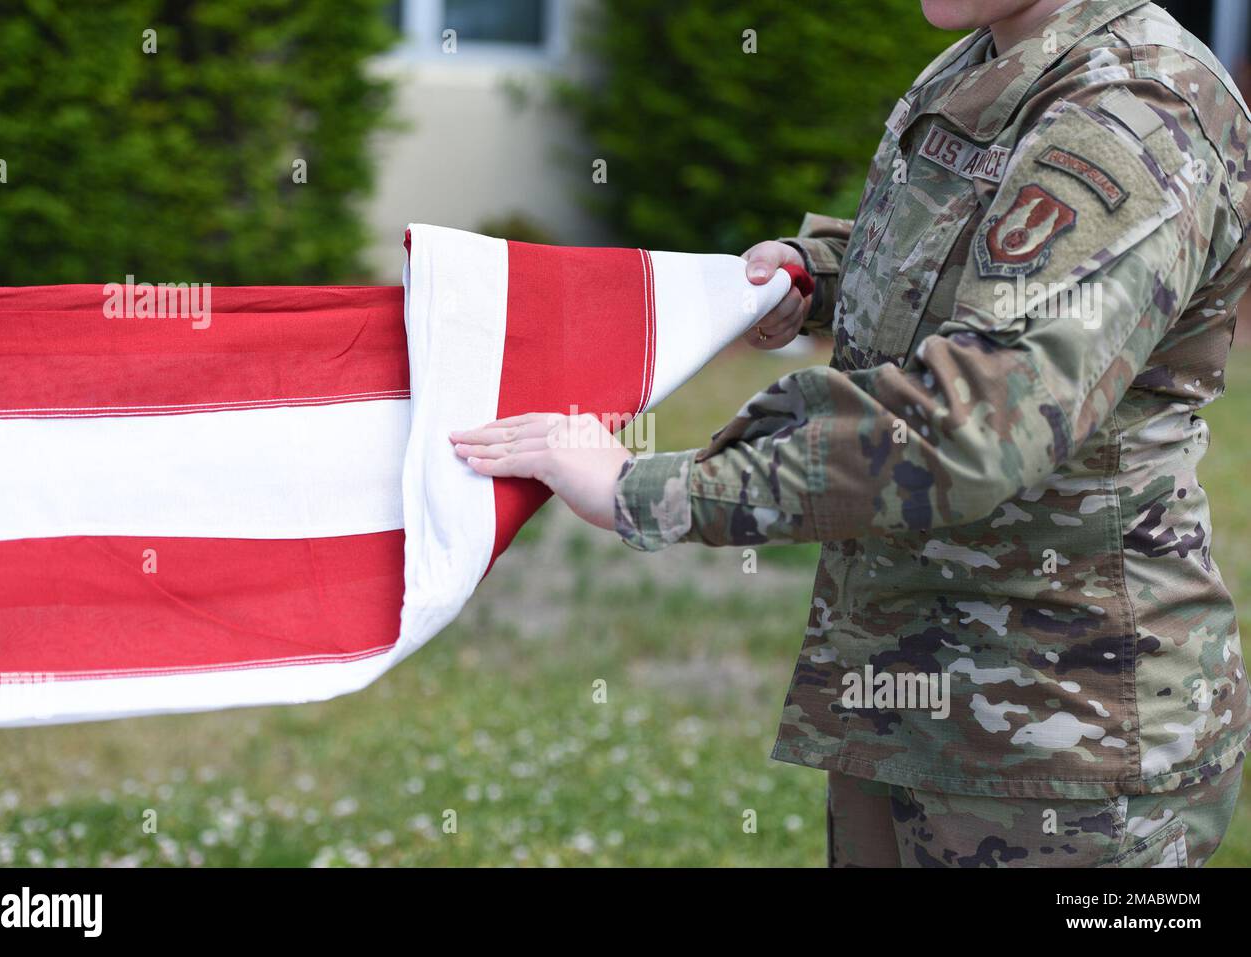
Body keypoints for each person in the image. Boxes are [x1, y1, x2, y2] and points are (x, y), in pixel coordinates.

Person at [450, 0, 1251, 867]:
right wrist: (815, 277)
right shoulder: (990, 55)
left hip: (1061, 743)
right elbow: (983, 264)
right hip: (924, 701)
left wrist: (644, 489)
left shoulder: (1128, 111)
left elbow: (976, 428)